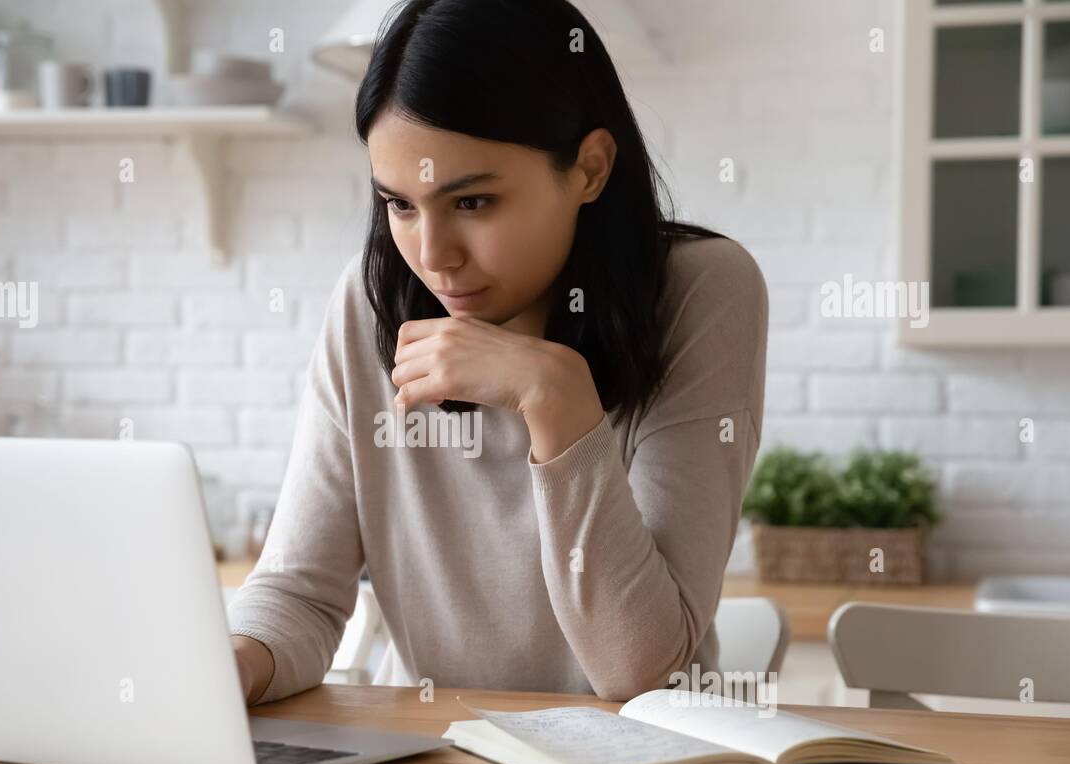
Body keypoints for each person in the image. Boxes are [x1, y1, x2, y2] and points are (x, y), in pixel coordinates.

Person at [229, 0, 768, 705]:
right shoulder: (371, 304)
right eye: (399, 205)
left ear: (590, 168)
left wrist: (557, 404)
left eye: (473, 203)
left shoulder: (701, 292)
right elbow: (299, 594)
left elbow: (644, 673)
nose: (432, 256)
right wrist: (229, 668)